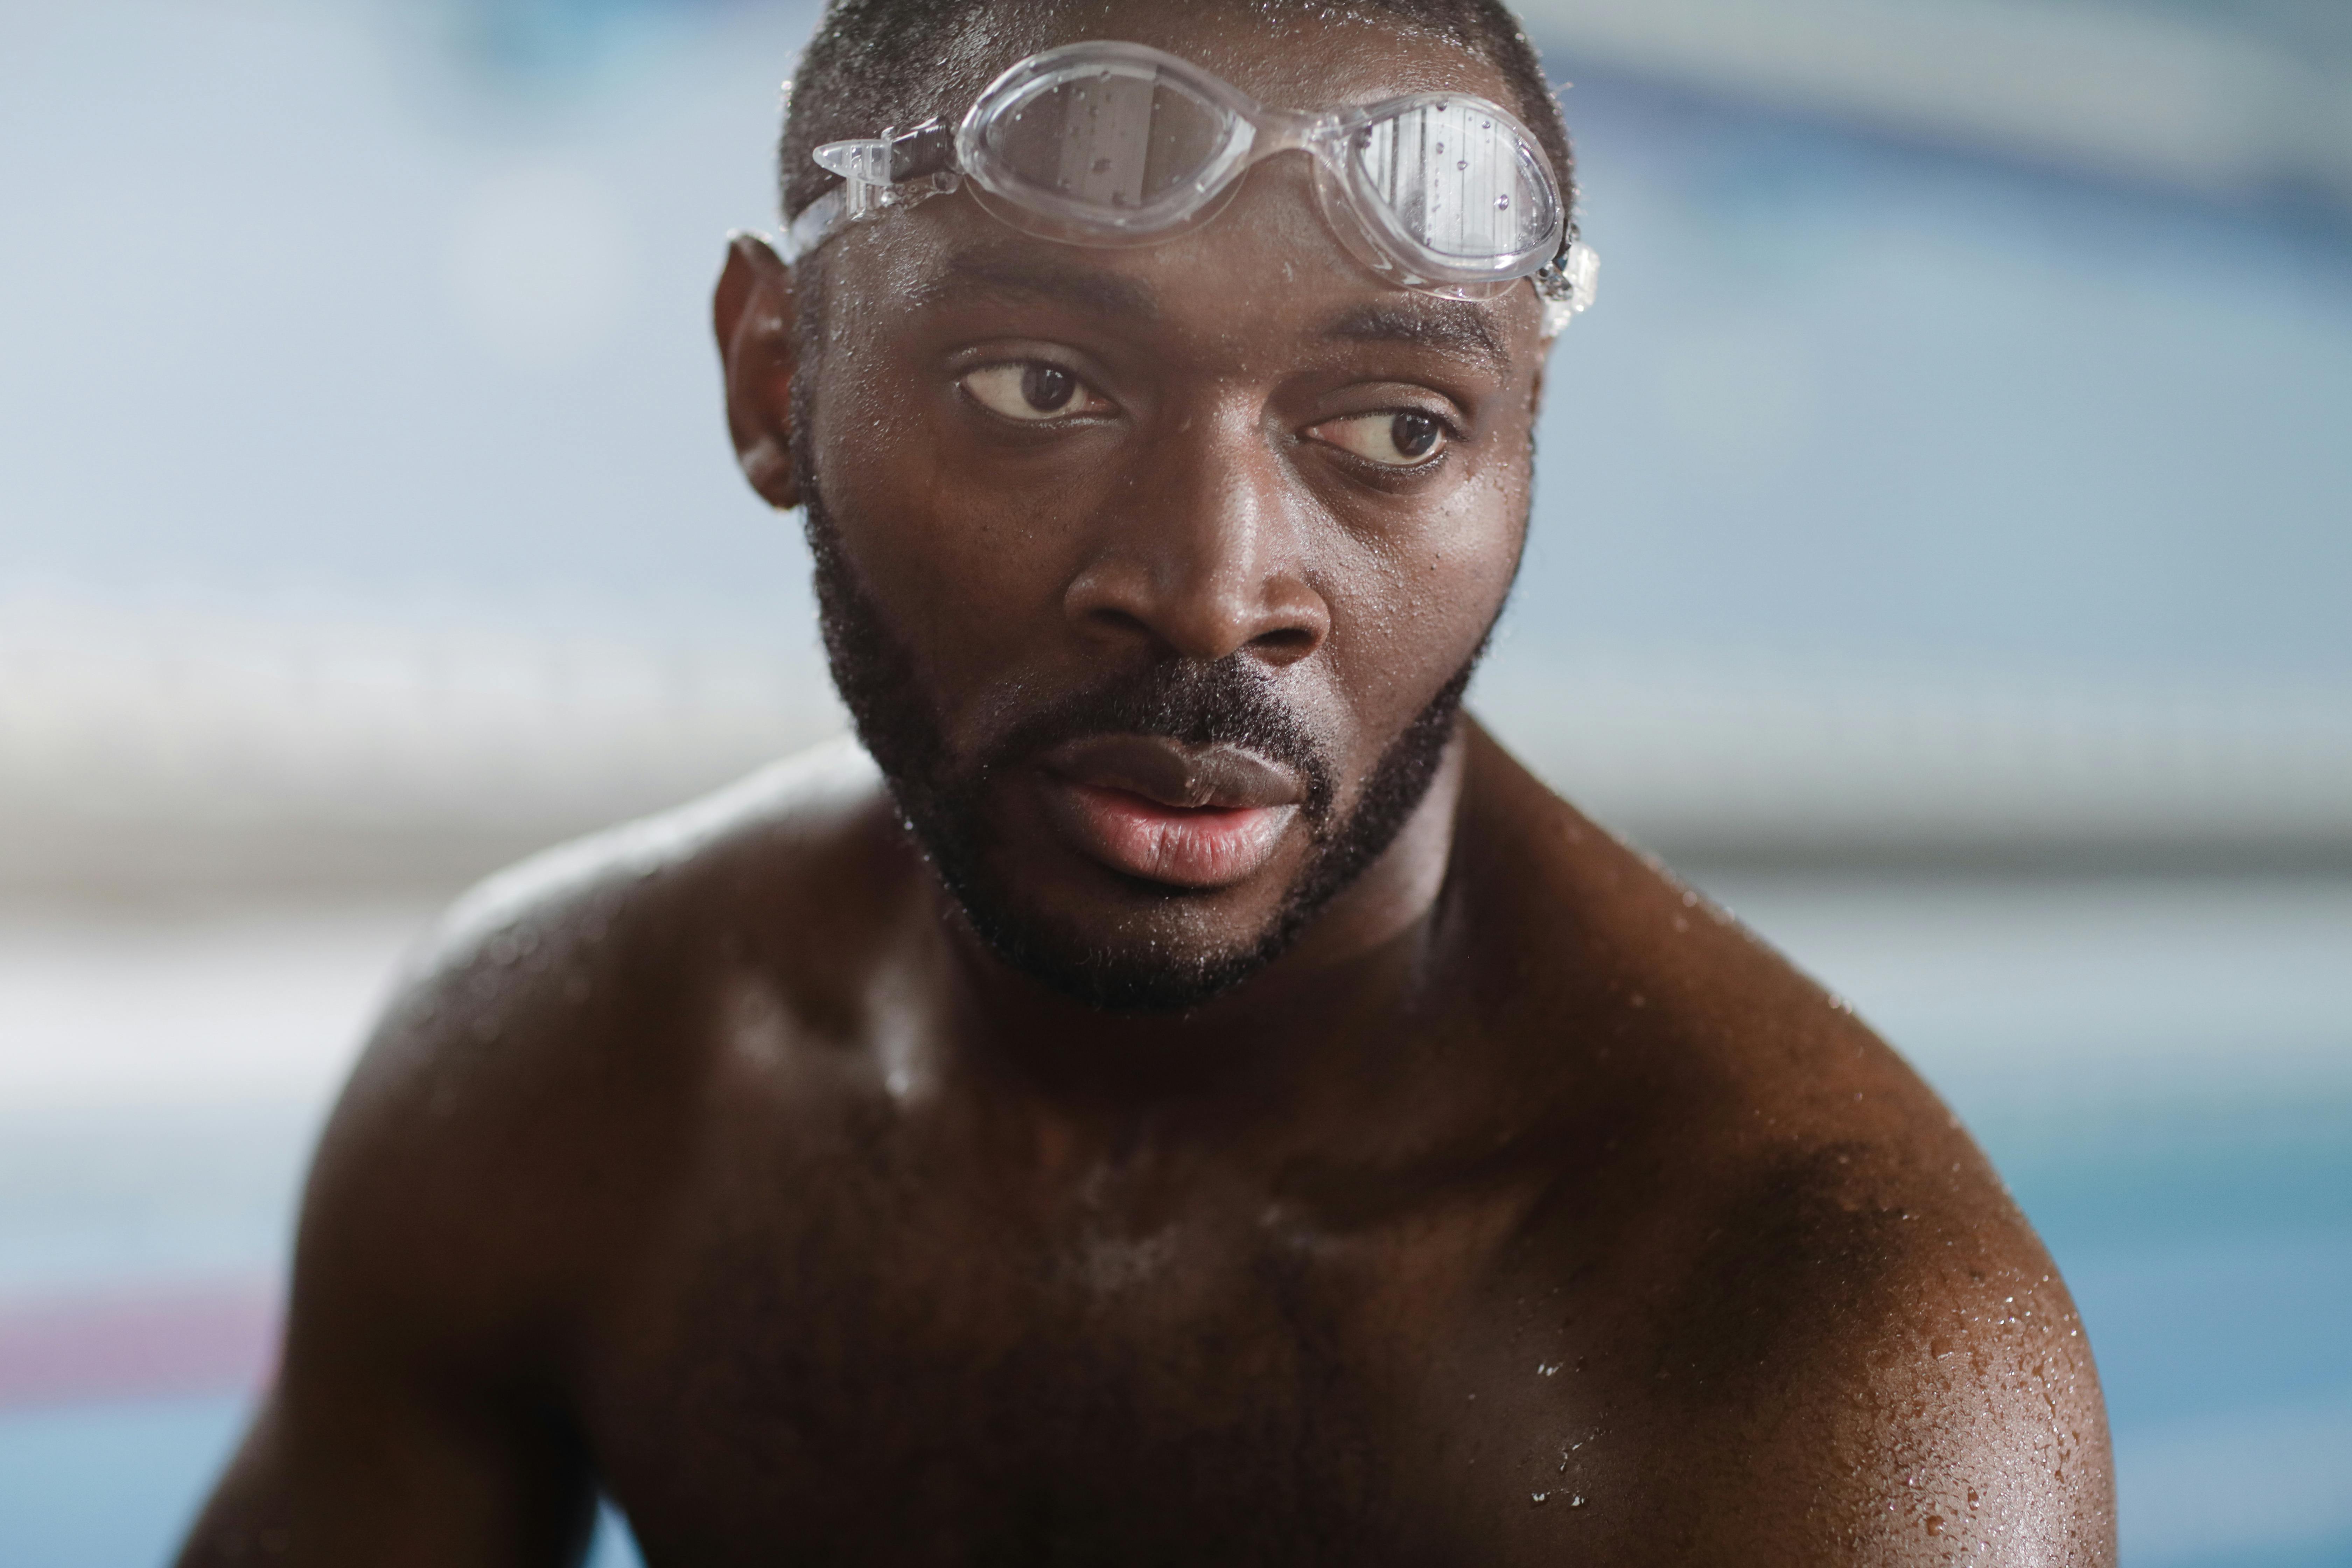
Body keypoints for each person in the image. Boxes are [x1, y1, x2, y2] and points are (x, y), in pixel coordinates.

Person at [178, 0, 2115, 1561]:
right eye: (1042, 386)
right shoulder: (568, 1072)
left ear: (1524, 455)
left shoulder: (1802, 1362)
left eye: (1391, 425)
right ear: (777, 382)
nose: (1214, 588)